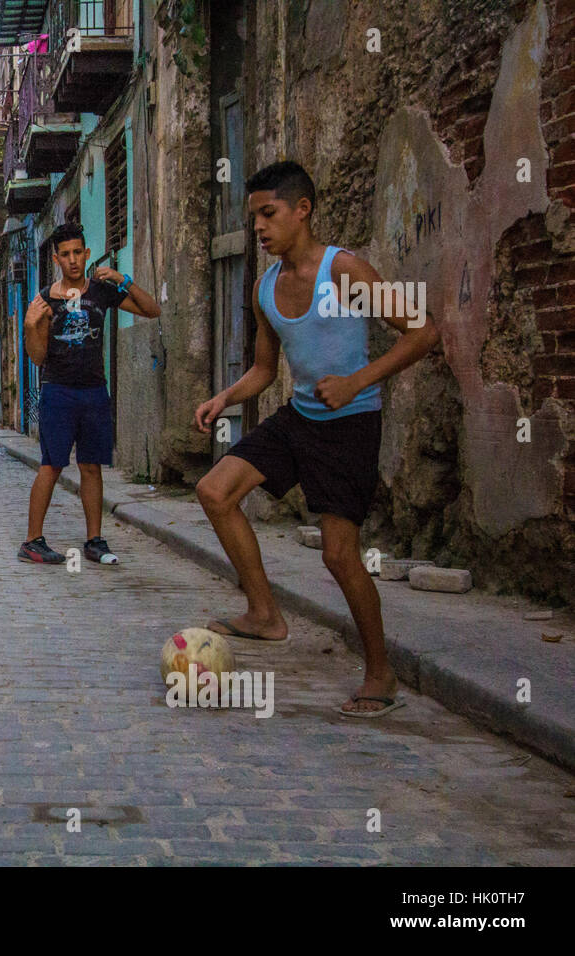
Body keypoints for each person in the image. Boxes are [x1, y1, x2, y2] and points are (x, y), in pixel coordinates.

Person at [193, 161, 440, 717]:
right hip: (299, 417)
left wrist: (358, 379)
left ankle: (381, 673)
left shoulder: (344, 270)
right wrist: (223, 399)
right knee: (215, 491)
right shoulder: (264, 287)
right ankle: (264, 614)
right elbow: (263, 370)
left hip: (350, 425)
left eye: (268, 213)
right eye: (253, 216)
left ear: (302, 210)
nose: (258, 227)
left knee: (338, 555)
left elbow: (422, 330)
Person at [21, 221, 160, 566]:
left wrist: (122, 280)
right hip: (58, 392)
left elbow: (152, 309)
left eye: (77, 253)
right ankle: (32, 541)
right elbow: (38, 357)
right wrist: (30, 326)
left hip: (95, 392)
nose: (72, 260)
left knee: (91, 466)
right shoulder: (45, 299)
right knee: (51, 466)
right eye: (65, 254)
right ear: (56, 258)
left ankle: (94, 541)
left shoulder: (100, 291)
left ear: (85, 254)